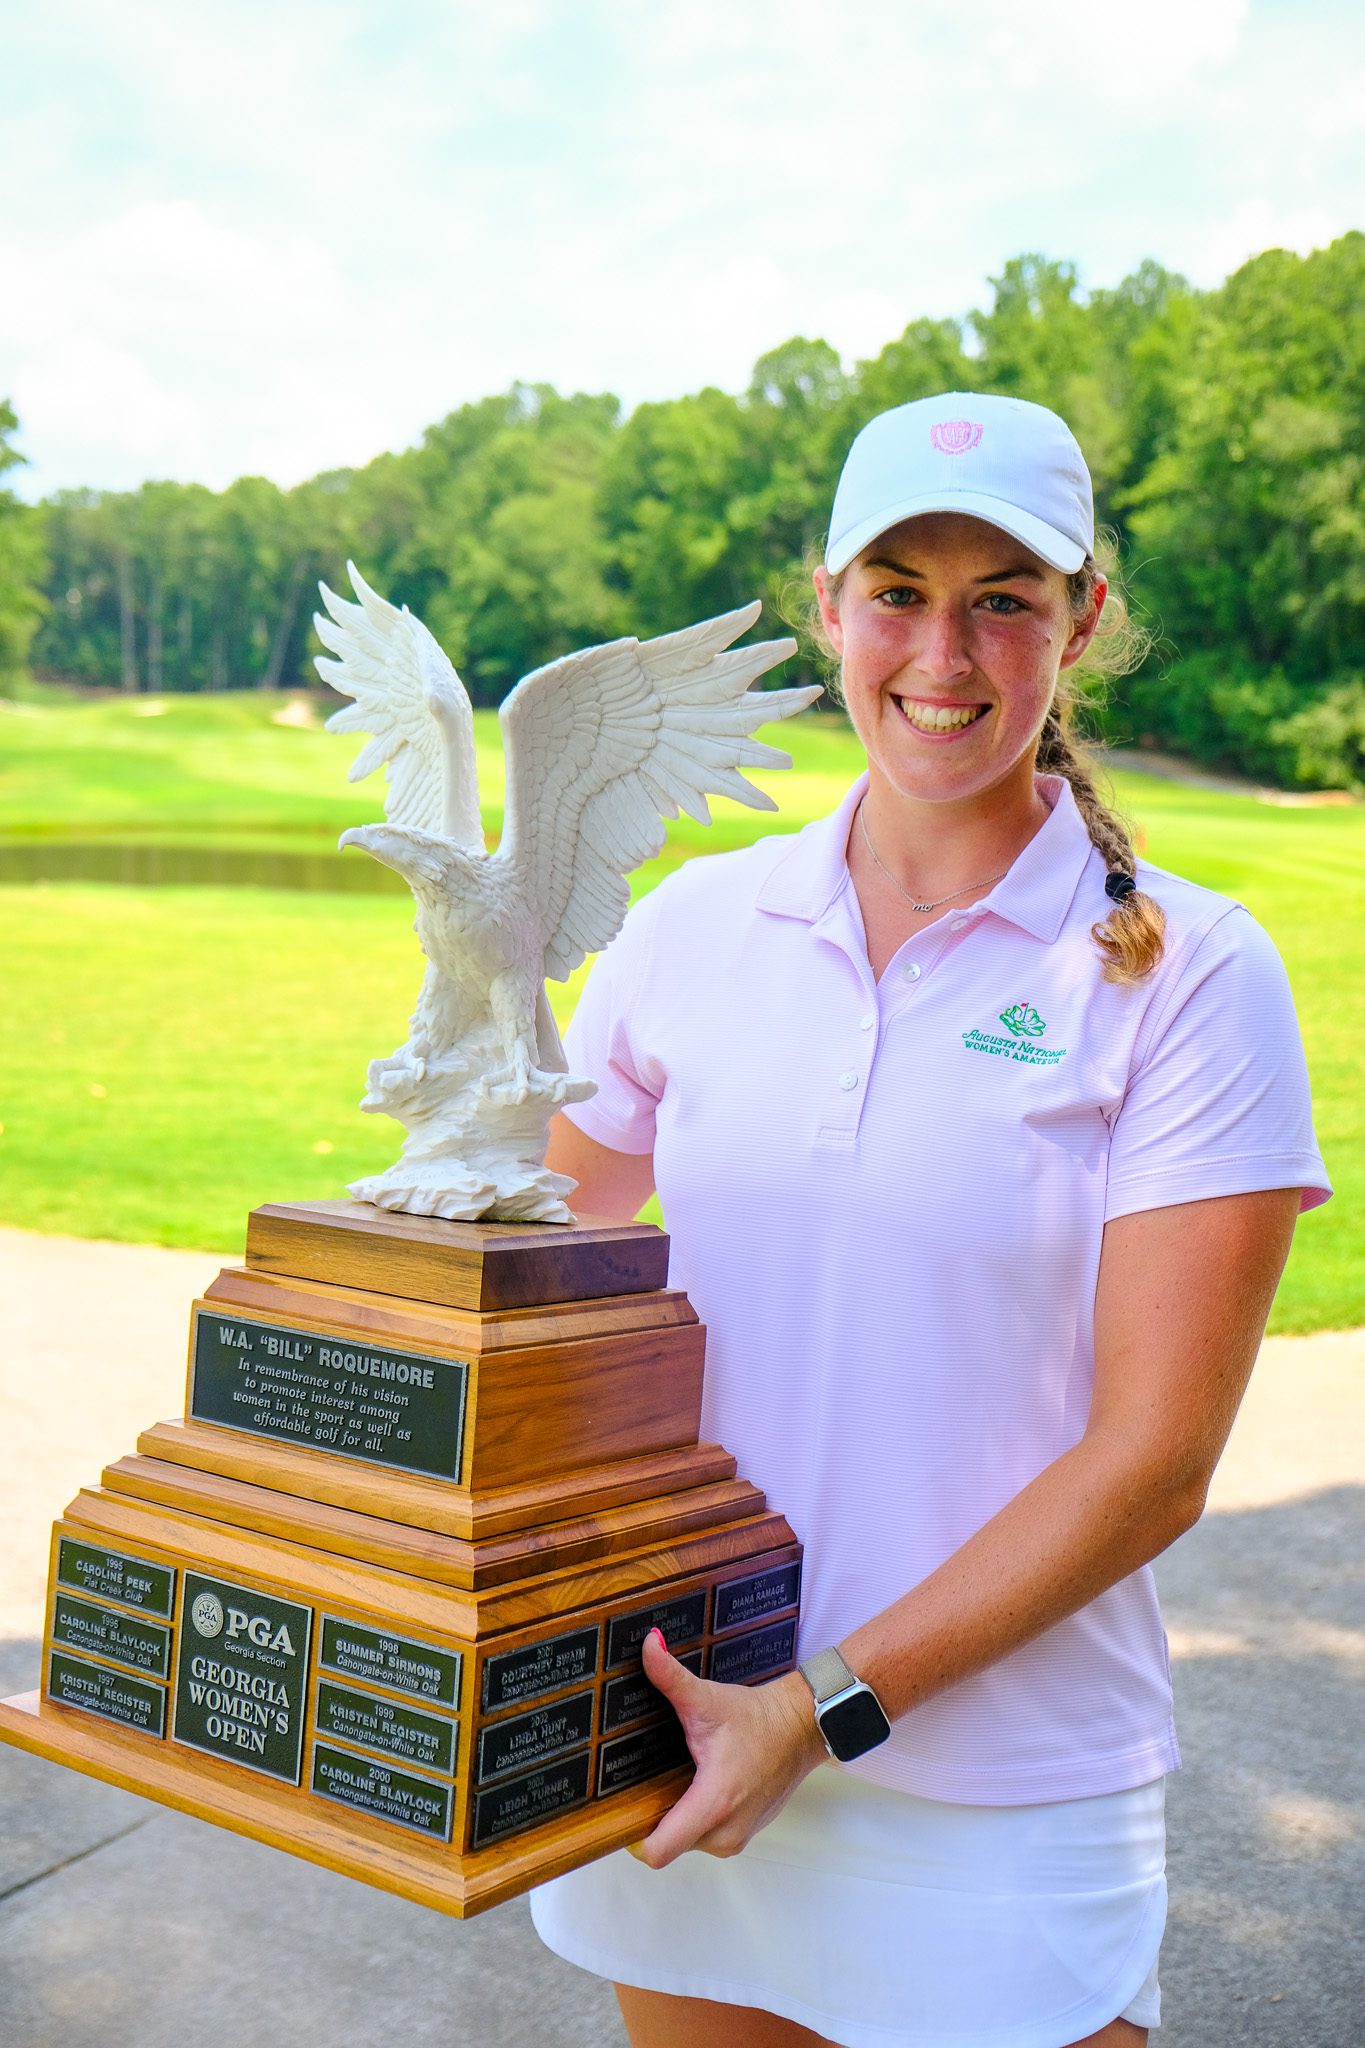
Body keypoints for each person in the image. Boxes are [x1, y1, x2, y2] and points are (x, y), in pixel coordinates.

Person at [527, 392, 1331, 2048]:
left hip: (994, 1790)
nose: (940, 655)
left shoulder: (1191, 972)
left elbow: (1152, 1464)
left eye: (1002, 601)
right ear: (829, 604)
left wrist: (816, 1711)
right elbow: (528, 1263)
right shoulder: (693, 925)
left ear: (1080, 620)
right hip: (689, 1732)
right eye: (896, 592)